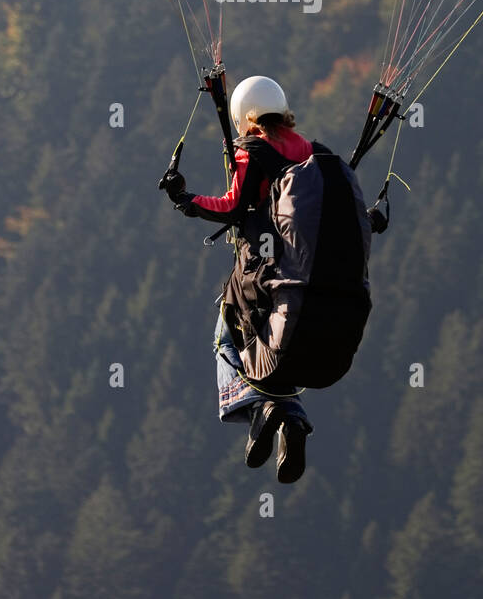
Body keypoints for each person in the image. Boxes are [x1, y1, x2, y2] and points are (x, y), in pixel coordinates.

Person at [161, 75, 385, 484]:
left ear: (246, 117)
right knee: (279, 338)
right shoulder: (311, 152)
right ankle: (290, 418)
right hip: (305, 272)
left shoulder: (253, 150)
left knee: (225, 339)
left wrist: (185, 200)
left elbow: (233, 207)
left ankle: (265, 411)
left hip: (262, 270)